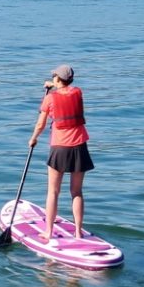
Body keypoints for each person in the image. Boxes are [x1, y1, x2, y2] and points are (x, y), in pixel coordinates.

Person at [28, 64, 94, 242]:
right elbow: (65, 90)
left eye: (54, 77)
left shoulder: (49, 99)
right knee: (77, 192)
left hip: (60, 147)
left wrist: (34, 138)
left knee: (53, 192)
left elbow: (41, 124)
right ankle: (79, 232)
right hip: (80, 146)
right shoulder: (78, 92)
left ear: (58, 79)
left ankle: (48, 232)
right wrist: (53, 84)